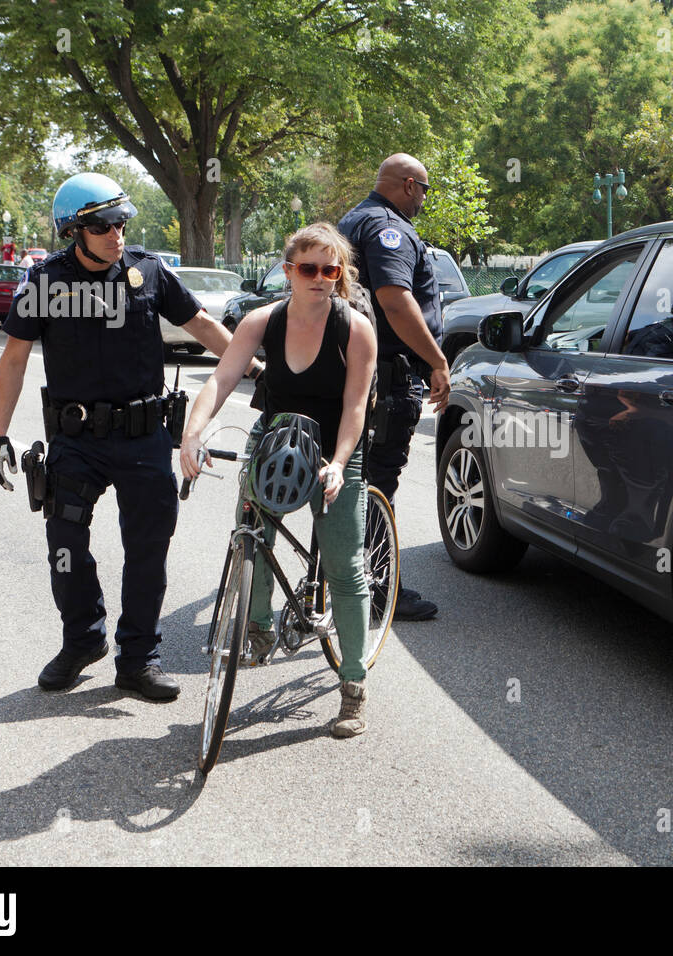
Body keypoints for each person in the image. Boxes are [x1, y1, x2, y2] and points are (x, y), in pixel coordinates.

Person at [0, 171, 261, 700]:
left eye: (121, 223)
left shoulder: (149, 271)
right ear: (75, 230)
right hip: (75, 442)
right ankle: (82, 639)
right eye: (104, 226)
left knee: (147, 551)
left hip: (143, 437)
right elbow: (14, 358)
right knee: (65, 547)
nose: (117, 235)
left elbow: (202, 324)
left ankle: (138, 658)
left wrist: (253, 367)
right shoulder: (45, 284)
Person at [180, 222, 377, 737]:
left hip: (336, 446)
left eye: (329, 269)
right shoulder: (261, 321)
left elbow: (356, 405)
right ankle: (259, 625)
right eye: (307, 268)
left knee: (344, 565)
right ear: (288, 271)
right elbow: (222, 378)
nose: (319, 278)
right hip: (275, 436)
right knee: (251, 533)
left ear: (339, 274)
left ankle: (353, 685)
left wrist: (337, 463)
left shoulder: (355, 328)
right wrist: (192, 434)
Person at [337, 153, 449, 621]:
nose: (424, 199)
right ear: (407, 185)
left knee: (352, 480)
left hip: (351, 374)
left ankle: (340, 577)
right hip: (386, 377)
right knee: (377, 486)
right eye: (424, 190)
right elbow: (395, 301)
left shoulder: (350, 221)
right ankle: (379, 590)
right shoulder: (390, 229)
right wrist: (437, 360)